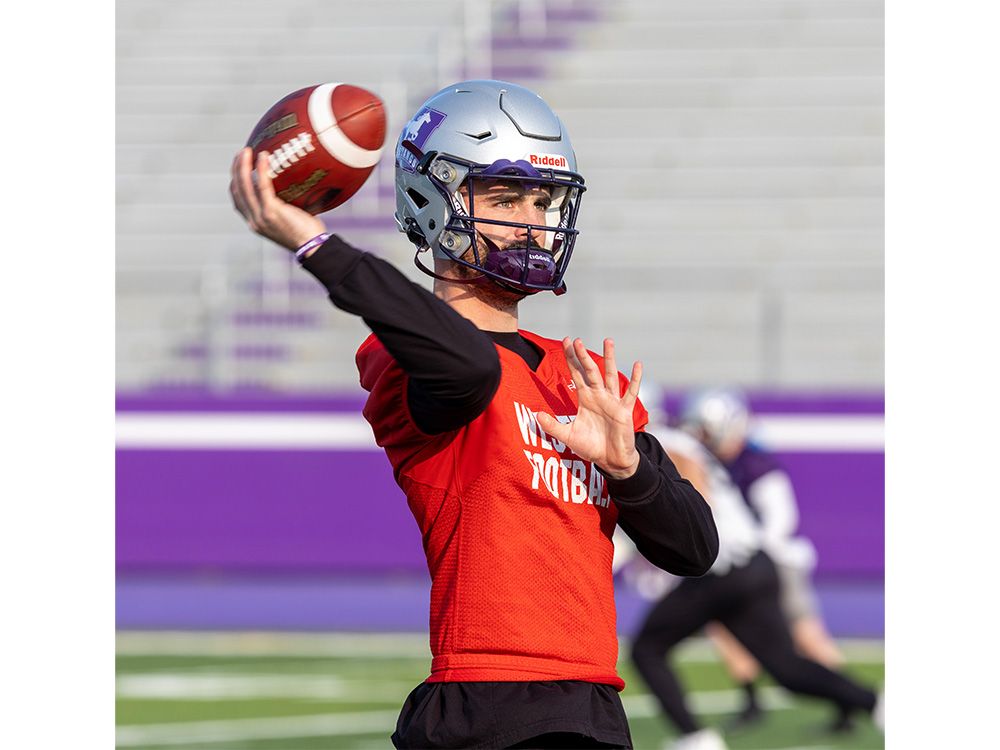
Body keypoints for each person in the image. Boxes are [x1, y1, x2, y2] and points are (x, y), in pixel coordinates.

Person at [229, 79, 720, 750]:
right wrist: (318, 244)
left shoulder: (575, 376)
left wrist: (629, 467)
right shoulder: (408, 356)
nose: (533, 220)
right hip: (484, 706)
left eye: (543, 200)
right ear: (432, 203)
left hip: (594, 709)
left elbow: (694, 549)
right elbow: (469, 368)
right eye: (505, 196)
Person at [628, 389, 882, 750]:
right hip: (752, 566)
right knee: (787, 668)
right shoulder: (678, 443)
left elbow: (695, 498)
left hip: (723, 569)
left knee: (647, 649)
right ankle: (877, 704)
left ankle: (695, 739)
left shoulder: (665, 443)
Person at [680, 388, 851, 732]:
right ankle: (751, 700)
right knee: (724, 628)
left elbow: (781, 520)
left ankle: (850, 701)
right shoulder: (718, 462)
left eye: (705, 430)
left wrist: (750, 553)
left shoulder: (756, 464)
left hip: (771, 564)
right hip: (746, 566)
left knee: (806, 636)